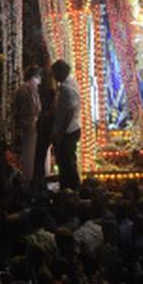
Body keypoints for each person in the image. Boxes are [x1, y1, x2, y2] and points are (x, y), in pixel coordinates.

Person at [50, 60, 81, 191]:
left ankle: (72, 189)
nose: (53, 77)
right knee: (67, 161)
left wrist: (61, 131)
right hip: (72, 128)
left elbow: (69, 111)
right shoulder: (70, 84)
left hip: (68, 131)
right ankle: (69, 188)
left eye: (54, 73)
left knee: (66, 162)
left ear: (60, 73)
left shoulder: (66, 89)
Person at [13, 66, 42, 185]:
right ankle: (35, 181)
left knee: (28, 154)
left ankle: (28, 180)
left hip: (25, 124)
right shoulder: (37, 87)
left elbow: (16, 109)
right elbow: (39, 107)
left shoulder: (22, 88)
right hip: (36, 123)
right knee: (36, 154)